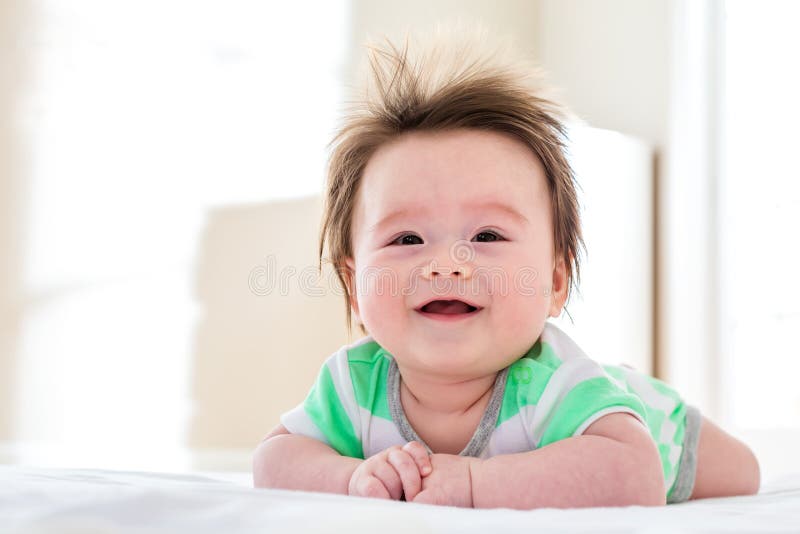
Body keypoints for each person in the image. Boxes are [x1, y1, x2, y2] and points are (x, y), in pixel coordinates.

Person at [252, 27, 760, 509]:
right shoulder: (351, 383)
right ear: (354, 285)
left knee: (742, 474)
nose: (446, 266)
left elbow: (636, 474)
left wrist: (474, 482)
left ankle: (627, 388)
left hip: (648, 422)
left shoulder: (557, 384)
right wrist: (349, 477)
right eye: (407, 238)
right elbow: (273, 460)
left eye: (486, 236)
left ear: (555, 282)